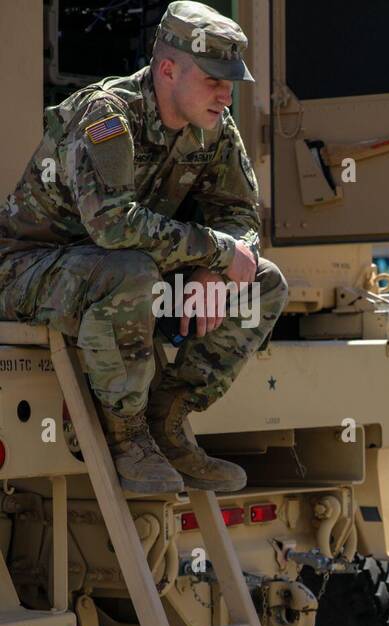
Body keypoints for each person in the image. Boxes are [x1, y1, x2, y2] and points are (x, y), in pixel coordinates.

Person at [0, 1, 286, 494]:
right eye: (213, 79)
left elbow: (240, 214)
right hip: (30, 270)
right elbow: (113, 226)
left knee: (263, 284)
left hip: (124, 272)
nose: (225, 93)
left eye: (230, 81)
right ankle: (125, 434)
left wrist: (215, 272)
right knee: (129, 271)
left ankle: (167, 422)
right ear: (167, 69)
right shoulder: (107, 116)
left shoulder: (213, 123)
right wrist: (215, 253)